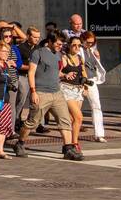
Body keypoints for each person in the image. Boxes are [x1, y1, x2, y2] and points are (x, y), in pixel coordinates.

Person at [16, 31, 82, 160]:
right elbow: (31, 73)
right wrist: (33, 91)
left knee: (65, 121)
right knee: (32, 122)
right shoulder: (38, 53)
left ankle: (68, 149)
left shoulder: (58, 55)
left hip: (57, 93)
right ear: (50, 42)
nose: (60, 46)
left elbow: (55, 72)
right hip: (41, 93)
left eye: (62, 44)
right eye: (58, 43)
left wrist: (64, 75)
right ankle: (20, 143)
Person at [79, 31, 107, 143]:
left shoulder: (91, 50)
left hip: (91, 81)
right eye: (88, 42)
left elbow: (95, 66)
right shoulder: (79, 50)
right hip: (80, 81)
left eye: (92, 42)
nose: (90, 44)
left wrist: (98, 58)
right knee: (76, 107)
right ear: (83, 40)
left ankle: (99, 134)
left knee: (96, 106)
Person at [15, 26, 40, 132]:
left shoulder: (38, 49)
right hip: (23, 76)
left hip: (36, 77)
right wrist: (32, 67)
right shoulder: (20, 48)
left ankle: (36, 123)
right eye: (34, 37)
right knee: (21, 100)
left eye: (38, 37)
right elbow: (17, 65)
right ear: (28, 36)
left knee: (37, 101)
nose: (37, 39)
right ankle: (16, 121)